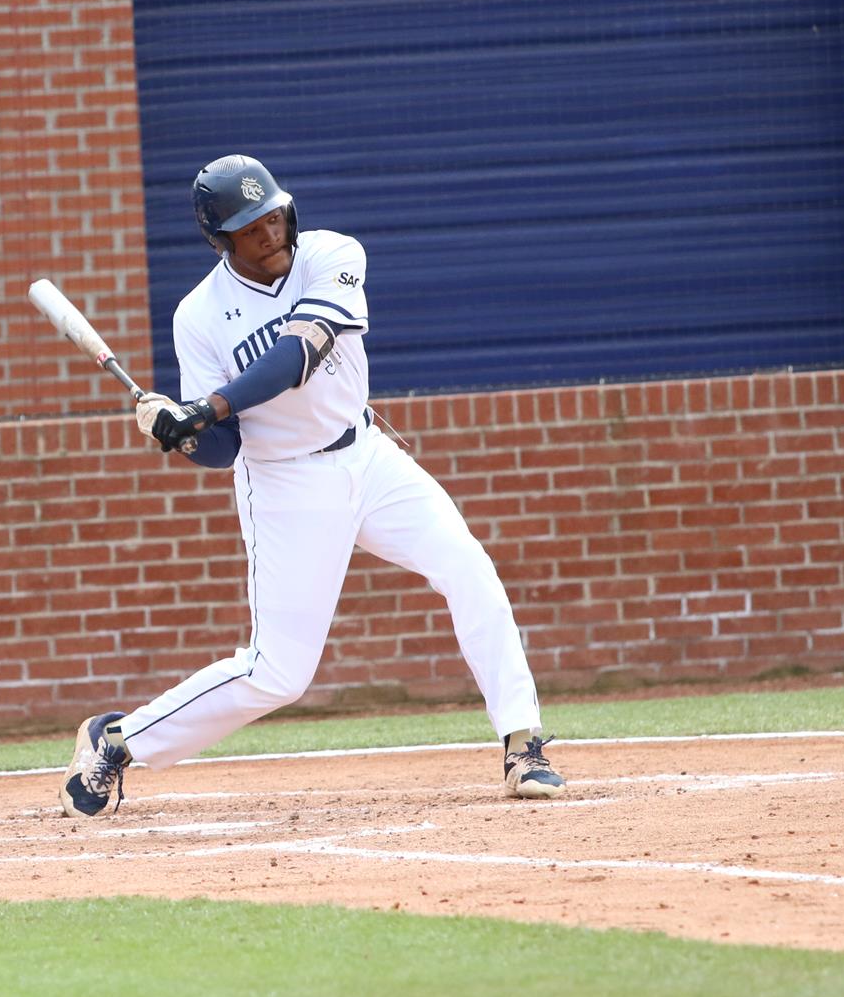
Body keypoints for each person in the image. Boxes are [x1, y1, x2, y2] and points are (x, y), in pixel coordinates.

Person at [60, 155, 565, 817]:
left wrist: (203, 406)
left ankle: (523, 743)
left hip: (369, 457)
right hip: (283, 485)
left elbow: (301, 353)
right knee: (278, 673)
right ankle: (120, 738)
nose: (269, 231)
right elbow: (224, 448)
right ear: (221, 240)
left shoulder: (332, 254)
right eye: (249, 225)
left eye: (273, 214)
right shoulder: (198, 316)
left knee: (468, 566)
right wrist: (177, 432)